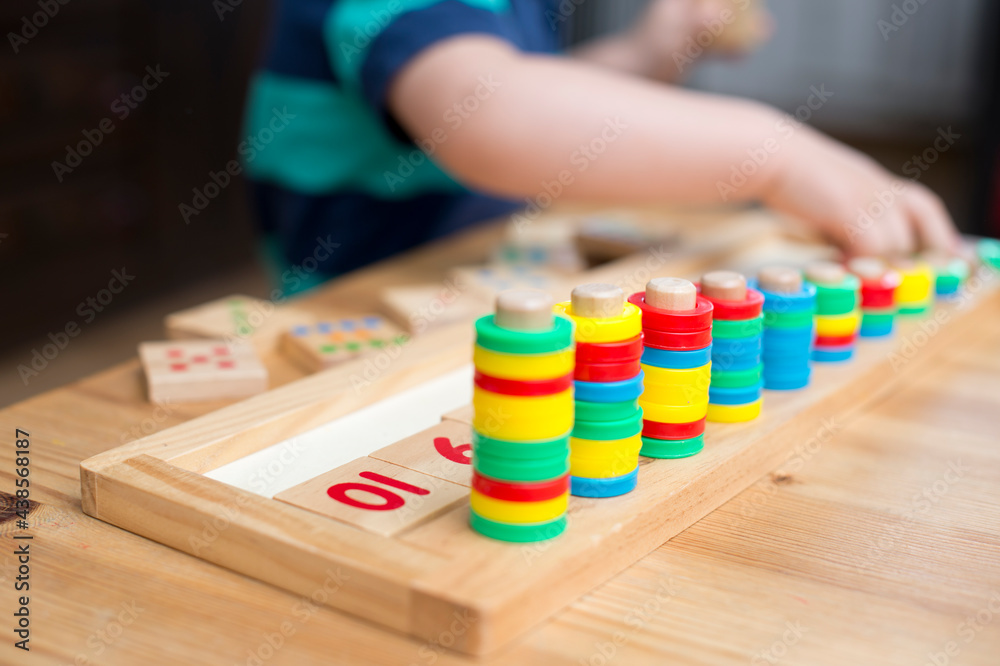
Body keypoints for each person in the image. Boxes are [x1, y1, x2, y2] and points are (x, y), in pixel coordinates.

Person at [243, 0, 960, 281]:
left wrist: (654, 49)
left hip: (471, 281)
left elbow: (539, 88)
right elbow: (487, 113)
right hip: (357, 314)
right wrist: (775, 151)